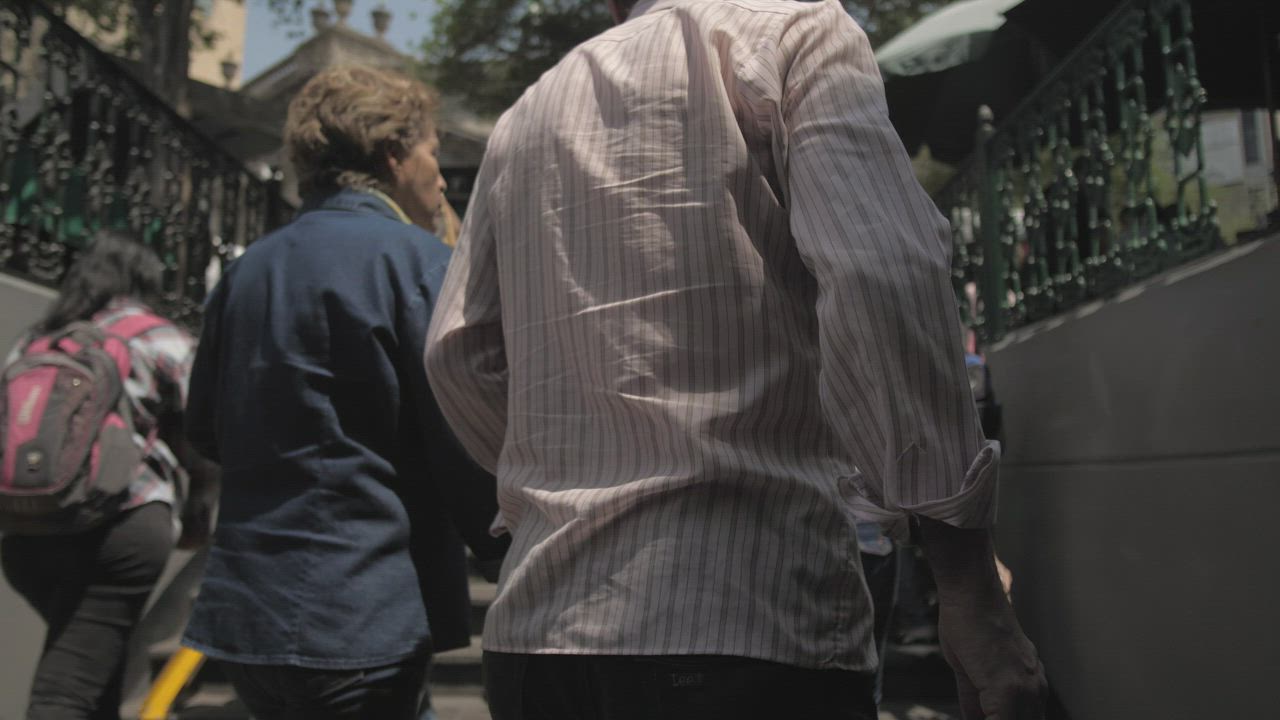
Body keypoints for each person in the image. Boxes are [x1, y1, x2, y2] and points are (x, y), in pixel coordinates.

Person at [423, 1, 1047, 718]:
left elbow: (459, 356)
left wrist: (564, 479)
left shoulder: (526, 112)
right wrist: (966, 577)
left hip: (539, 637)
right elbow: (883, 272)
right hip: (746, 621)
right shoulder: (793, 31)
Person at [181, 66, 506, 720]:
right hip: (359, 615)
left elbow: (206, 430)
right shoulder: (416, 262)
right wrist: (507, 548)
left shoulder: (247, 271)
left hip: (247, 621)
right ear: (391, 155)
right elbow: (464, 432)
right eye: (432, 154)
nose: (441, 178)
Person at [1, 231, 208, 719]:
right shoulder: (156, 335)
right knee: (66, 690)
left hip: (26, 533)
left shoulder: (37, 339)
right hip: (120, 528)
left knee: (97, 663)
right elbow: (206, 427)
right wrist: (201, 505)